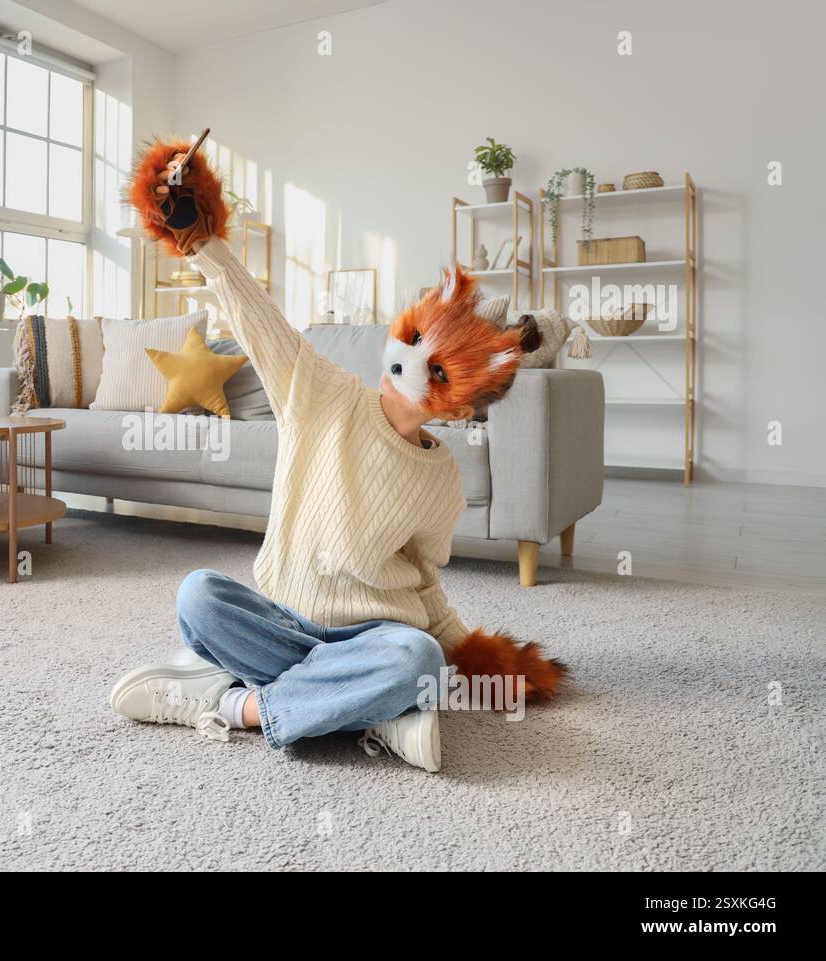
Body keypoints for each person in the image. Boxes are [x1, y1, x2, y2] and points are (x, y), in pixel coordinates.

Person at [109, 142, 559, 771]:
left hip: (370, 634)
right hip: (282, 621)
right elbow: (257, 318)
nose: (400, 361)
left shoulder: (441, 481)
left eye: (428, 365)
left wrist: (467, 653)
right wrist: (202, 238)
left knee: (415, 659)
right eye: (407, 340)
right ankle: (376, 715)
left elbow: (424, 584)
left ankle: (235, 705)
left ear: (457, 407)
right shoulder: (320, 394)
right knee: (198, 596)